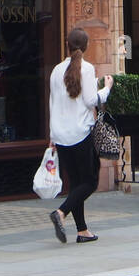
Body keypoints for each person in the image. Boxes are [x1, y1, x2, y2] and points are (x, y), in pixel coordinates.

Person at [48, 27, 112, 244]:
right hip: (80, 133)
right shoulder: (87, 68)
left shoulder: (56, 70)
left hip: (60, 135)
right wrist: (107, 88)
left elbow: (52, 103)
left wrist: (52, 135)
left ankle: (82, 230)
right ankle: (61, 212)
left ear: (67, 45)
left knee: (76, 183)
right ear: (86, 46)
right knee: (90, 181)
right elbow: (91, 101)